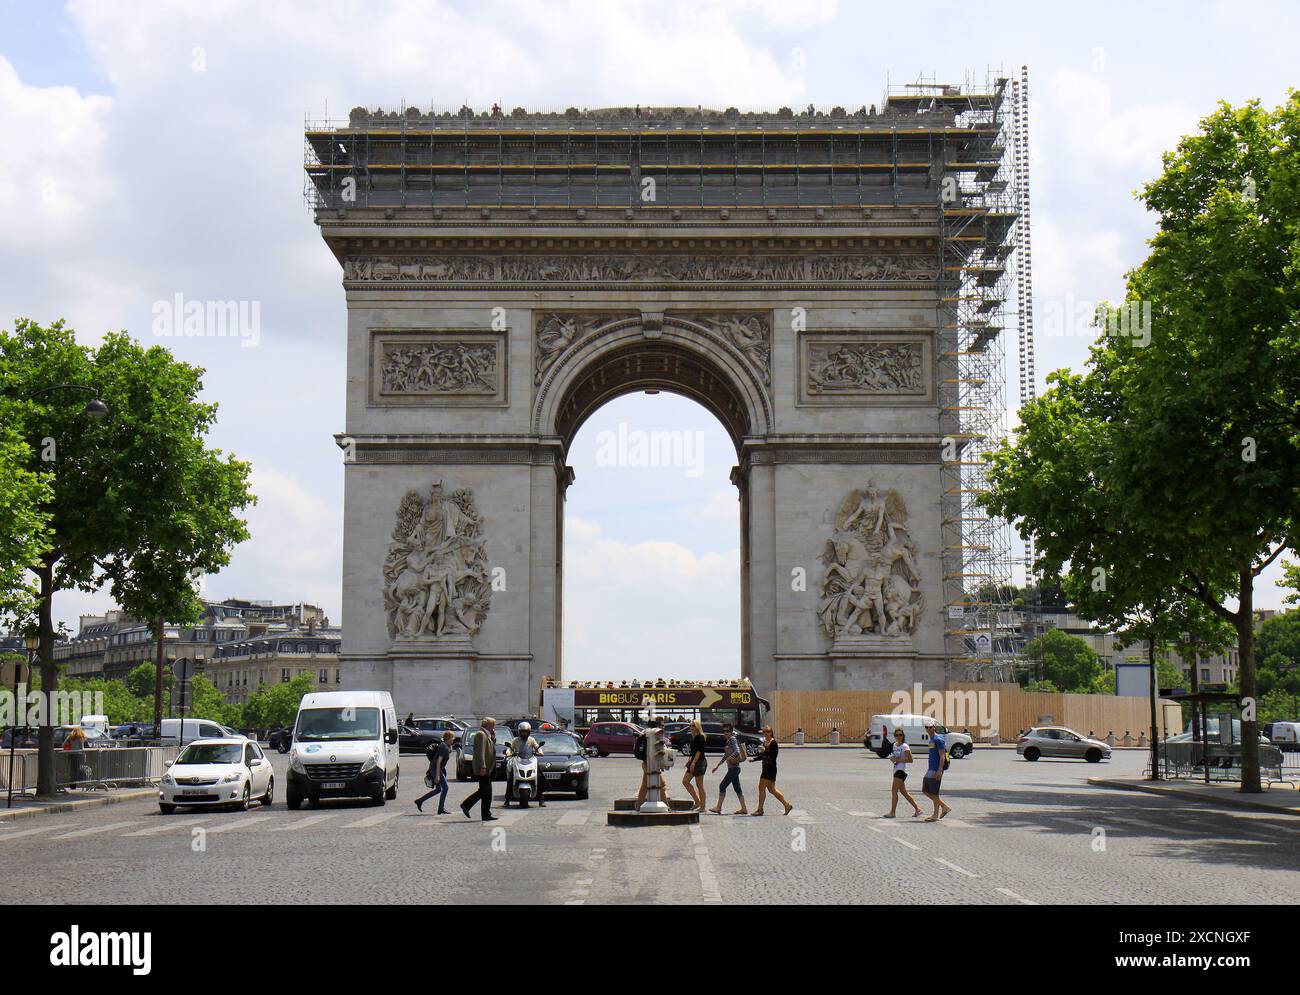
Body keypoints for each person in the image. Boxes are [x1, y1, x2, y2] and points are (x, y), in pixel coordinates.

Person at [459, 717, 498, 822]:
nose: (494, 727)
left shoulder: (486, 734)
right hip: (483, 768)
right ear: (487, 725)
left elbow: (490, 748)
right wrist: (483, 766)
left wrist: (493, 738)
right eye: (493, 724)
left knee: (485, 792)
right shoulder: (481, 734)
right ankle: (469, 806)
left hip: (487, 768)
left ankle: (476, 809)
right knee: (486, 791)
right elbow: (480, 752)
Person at [748, 726, 792, 816]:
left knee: (761, 787)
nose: (766, 733)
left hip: (770, 769)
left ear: (771, 732)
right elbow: (763, 756)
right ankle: (787, 805)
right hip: (765, 768)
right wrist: (754, 759)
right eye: (764, 732)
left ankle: (760, 810)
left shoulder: (773, 743)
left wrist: (764, 750)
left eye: (767, 731)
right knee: (772, 790)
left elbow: (772, 757)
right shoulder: (764, 742)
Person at [708, 722, 748, 815]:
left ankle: (718, 807)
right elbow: (726, 755)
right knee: (737, 788)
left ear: (731, 731)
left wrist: (730, 758)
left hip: (734, 768)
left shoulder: (732, 739)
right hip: (733, 768)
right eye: (724, 731)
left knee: (722, 786)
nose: (725, 733)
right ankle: (744, 808)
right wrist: (718, 765)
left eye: (728, 731)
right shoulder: (729, 740)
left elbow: (737, 751)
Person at [505, 721, 545, 808]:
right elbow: (510, 748)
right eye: (523, 731)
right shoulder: (515, 740)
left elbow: (536, 746)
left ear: (529, 732)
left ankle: (541, 799)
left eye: (526, 731)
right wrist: (509, 753)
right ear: (519, 732)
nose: (524, 733)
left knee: (539, 776)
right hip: (518, 760)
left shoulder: (531, 740)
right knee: (511, 777)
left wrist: (540, 752)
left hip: (530, 760)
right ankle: (507, 799)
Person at [884, 726, 921, 818]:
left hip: (901, 771)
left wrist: (899, 760)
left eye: (900, 735)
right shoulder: (895, 745)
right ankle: (918, 809)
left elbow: (911, 760)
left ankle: (892, 812)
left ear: (903, 736)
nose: (898, 736)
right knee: (904, 792)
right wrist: (892, 759)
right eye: (896, 735)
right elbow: (894, 756)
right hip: (896, 769)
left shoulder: (905, 746)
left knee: (894, 791)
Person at [634, 717, 671, 807]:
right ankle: (666, 806)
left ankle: (638, 806)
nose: (663, 727)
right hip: (650, 764)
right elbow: (659, 750)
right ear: (657, 725)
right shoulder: (654, 733)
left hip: (647, 763)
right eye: (662, 725)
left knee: (645, 785)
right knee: (662, 784)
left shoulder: (648, 733)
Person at [415, 730, 454, 814]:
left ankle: (420, 801)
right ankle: (441, 809)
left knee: (438, 789)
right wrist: (437, 775)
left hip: (436, 768)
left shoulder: (445, 746)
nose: (453, 740)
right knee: (445, 788)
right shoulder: (443, 747)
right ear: (447, 738)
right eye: (452, 738)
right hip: (436, 769)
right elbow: (438, 761)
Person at [922, 722, 951, 822]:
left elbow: (942, 755)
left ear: (934, 728)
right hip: (931, 768)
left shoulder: (938, 739)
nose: (929, 729)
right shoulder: (932, 740)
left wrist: (939, 770)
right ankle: (943, 807)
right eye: (927, 727)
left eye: (931, 727)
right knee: (926, 790)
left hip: (936, 769)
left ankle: (936, 814)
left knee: (933, 792)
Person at [681, 719, 708, 813]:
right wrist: (689, 761)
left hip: (700, 762)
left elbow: (699, 751)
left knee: (699, 785)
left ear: (697, 727)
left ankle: (703, 807)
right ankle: (697, 801)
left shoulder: (700, 737)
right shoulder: (693, 737)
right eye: (690, 725)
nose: (690, 727)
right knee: (685, 781)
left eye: (693, 725)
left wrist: (693, 763)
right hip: (694, 761)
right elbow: (692, 752)